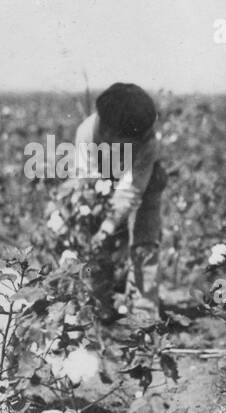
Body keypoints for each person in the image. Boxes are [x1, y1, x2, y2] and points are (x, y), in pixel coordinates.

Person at [66, 82, 167, 322]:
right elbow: (84, 185)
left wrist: (110, 225)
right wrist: (98, 229)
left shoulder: (147, 141)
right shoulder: (87, 132)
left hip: (143, 181)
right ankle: (96, 300)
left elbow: (131, 190)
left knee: (146, 240)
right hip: (98, 182)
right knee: (91, 233)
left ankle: (144, 308)